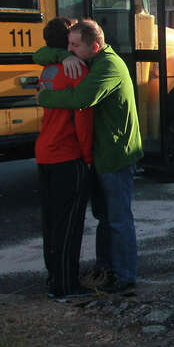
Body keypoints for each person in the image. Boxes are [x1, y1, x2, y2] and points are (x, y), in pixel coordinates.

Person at [36, 19, 142, 294]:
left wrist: (44, 97)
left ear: (93, 47)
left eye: (74, 45)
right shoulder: (88, 60)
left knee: (118, 218)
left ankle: (124, 276)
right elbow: (40, 54)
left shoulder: (108, 66)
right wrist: (63, 55)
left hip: (115, 154)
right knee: (104, 216)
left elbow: (80, 99)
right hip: (99, 153)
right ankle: (106, 267)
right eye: (68, 44)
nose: (70, 49)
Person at [34, 17, 92, 299]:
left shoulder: (46, 70)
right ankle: (66, 285)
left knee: (51, 222)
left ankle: (53, 277)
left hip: (45, 152)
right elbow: (82, 119)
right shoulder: (75, 70)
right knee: (69, 224)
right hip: (67, 155)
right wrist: (88, 156)